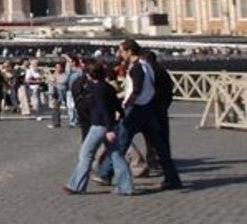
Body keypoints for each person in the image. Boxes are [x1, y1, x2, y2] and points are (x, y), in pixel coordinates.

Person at [96, 39, 182, 191]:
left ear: (129, 51)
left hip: (136, 110)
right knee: (160, 147)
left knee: (120, 143)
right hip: (148, 109)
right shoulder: (146, 65)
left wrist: (124, 107)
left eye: (122, 51)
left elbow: (137, 90)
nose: (120, 54)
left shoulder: (136, 68)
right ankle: (172, 178)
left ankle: (105, 173)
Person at [61, 62, 135, 196]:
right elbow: (116, 105)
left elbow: (104, 109)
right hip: (111, 124)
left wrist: (109, 129)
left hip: (100, 126)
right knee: (116, 155)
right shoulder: (108, 87)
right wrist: (117, 119)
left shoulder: (96, 89)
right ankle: (126, 186)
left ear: (90, 75)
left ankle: (77, 185)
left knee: (86, 154)